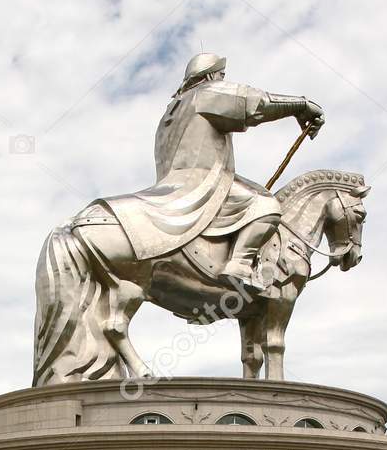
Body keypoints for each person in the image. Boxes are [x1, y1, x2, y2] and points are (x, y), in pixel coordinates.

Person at [100, 53, 324, 293]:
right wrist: (300, 105)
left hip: (169, 185)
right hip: (200, 183)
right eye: (221, 75)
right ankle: (238, 265)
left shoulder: (171, 112)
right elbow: (256, 103)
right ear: (209, 75)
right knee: (265, 205)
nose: (222, 80)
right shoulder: (206, 93)